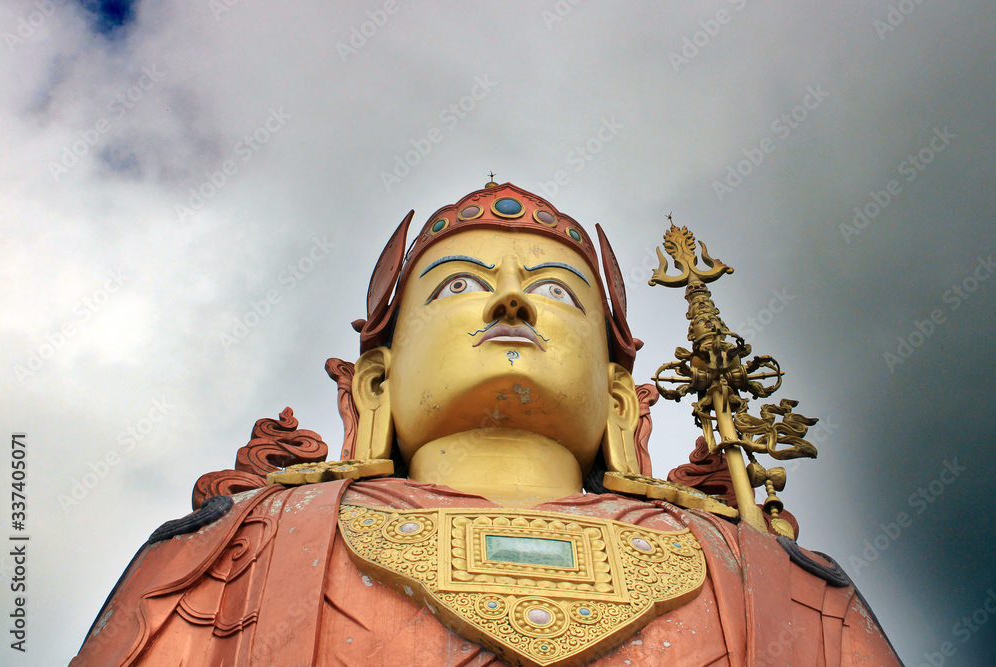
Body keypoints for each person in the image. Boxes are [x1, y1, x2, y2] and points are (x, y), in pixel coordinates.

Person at [72, 181, 902, 666]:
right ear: (378, 382)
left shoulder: (763, 572)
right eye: (459, 285)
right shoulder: (234, 548)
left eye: (557, 292)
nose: (513, 300)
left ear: (620, 401)